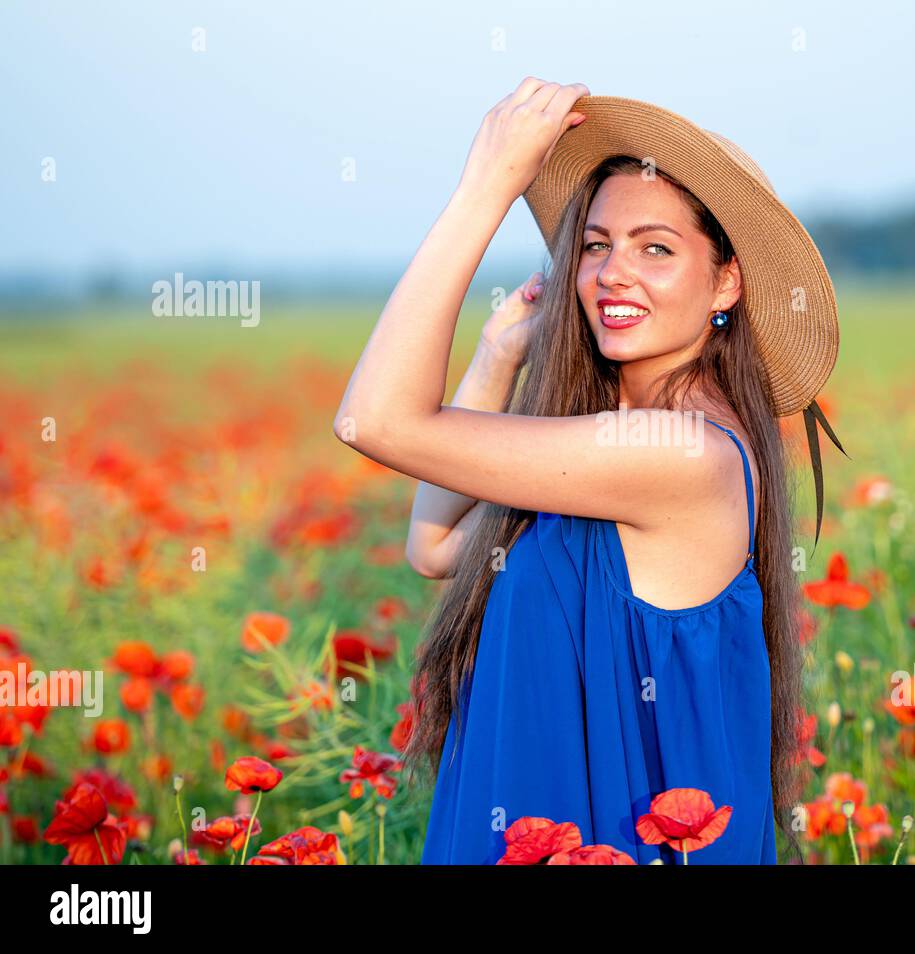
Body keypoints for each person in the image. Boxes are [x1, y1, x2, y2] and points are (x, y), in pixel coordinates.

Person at [334, 78, 842, 864]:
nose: (612, 273)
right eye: (597, 245)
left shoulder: (681, 456)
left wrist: (485, 189)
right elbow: (432, 547)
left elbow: (371, 420)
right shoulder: (612, 447)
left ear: (727, 283)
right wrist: (498, 356)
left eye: (656, 248)